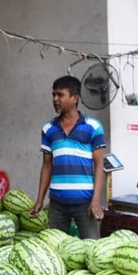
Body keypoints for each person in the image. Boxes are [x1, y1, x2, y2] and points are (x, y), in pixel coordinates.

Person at [29, 75, 106, 239]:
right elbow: (47, 166)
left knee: (91, 248)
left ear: (74, 98)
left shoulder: (93, 126)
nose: (55, 99)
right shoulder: (48, 128)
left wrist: (95, 201)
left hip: (85, 202)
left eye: (60, 95)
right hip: (57, 203)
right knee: (56, 248)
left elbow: (99, 166)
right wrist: (39, 200)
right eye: (53, 95)